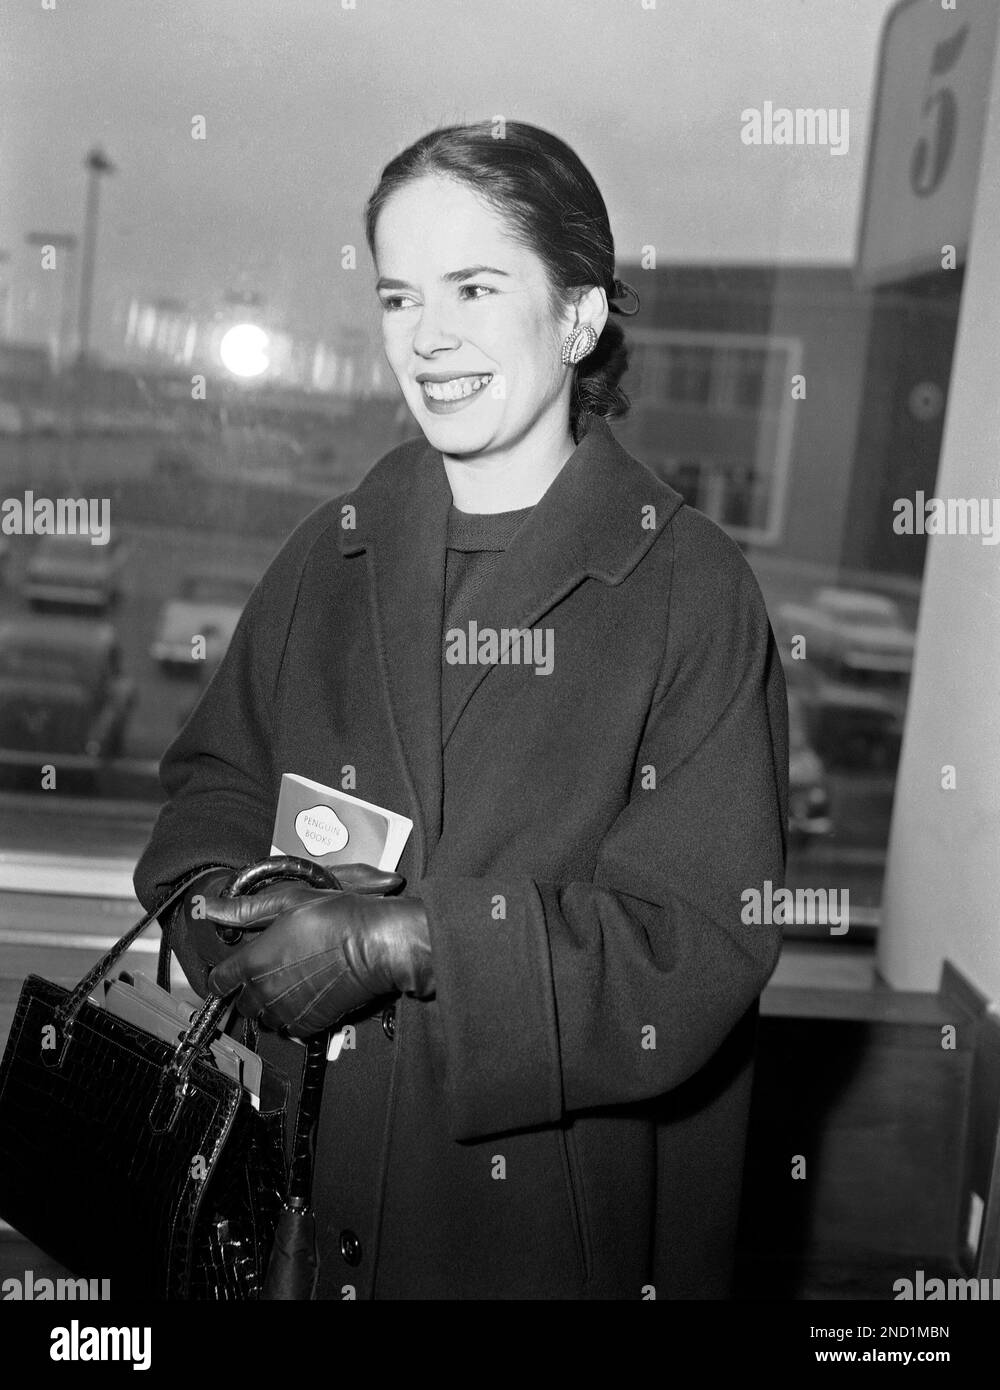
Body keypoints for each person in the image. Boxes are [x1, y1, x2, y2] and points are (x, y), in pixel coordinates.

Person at [133, 120, 788, 1301]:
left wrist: (414, 938)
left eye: (472, 288)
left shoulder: (691, 589)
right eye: (397, 297)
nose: (426, 338)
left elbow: (700, 946)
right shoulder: (328, 550)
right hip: (297, 1199)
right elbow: (209, 790)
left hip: (540, 1231)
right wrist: (240, 914)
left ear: (580, 317)